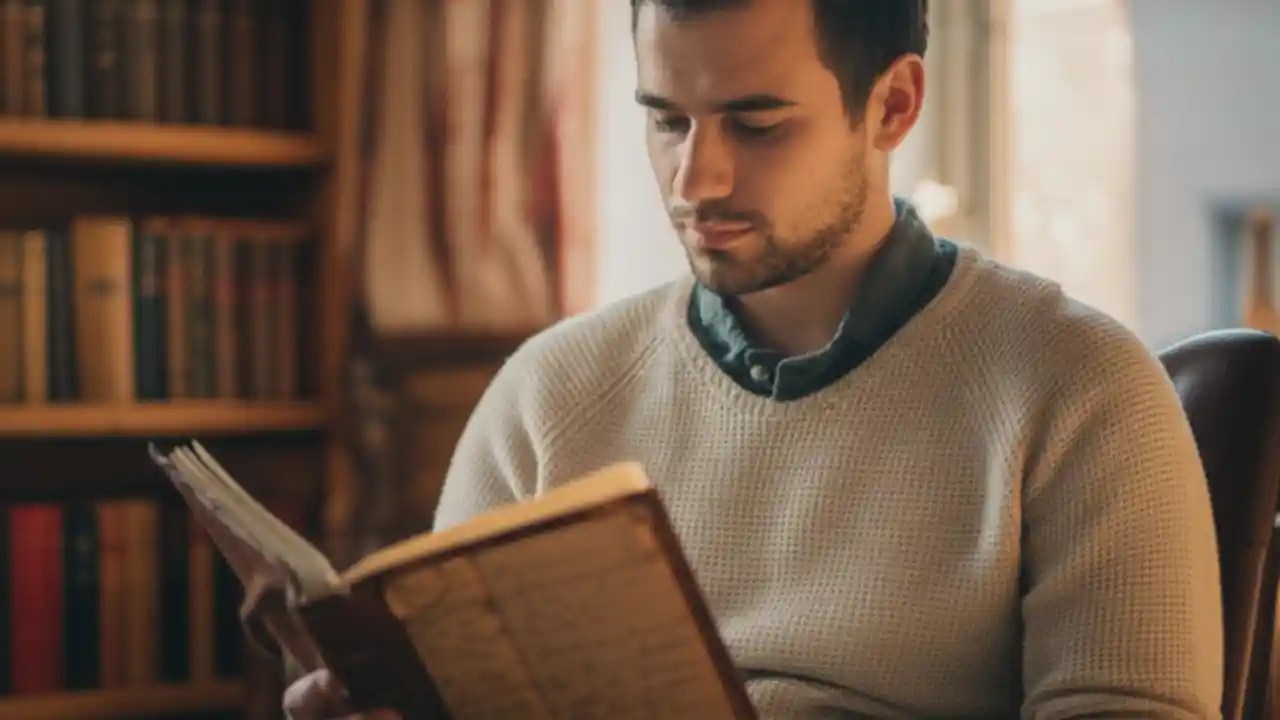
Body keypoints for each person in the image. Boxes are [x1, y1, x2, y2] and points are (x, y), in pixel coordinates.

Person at [285, 0, 1224, 718]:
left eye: (757, 123)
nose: (698, 180)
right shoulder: (551, 393)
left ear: (892, 105)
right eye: (667, 121)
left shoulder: (1081, 390)